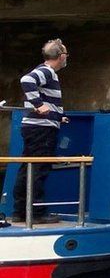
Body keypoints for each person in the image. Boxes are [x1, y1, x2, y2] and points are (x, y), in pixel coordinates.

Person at [11, 39, 69, 224]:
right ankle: (36, 212)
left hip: (34, 126)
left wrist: (58, 117)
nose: (67, 58)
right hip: (41, 129)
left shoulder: (46, 71)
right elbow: (26, 80)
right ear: (61, 57)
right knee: (38, 169)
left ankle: (20, 210)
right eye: (66, 54)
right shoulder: (47, 71)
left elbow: (46, 102)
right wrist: (39, 105)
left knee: (27, 167)